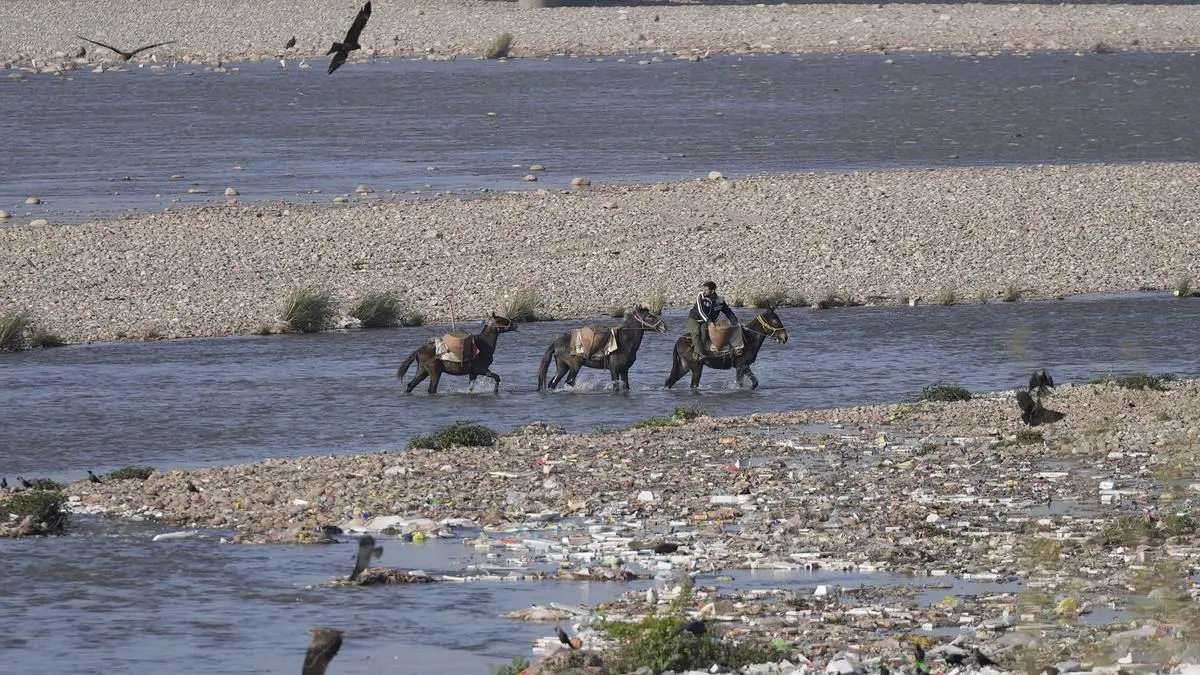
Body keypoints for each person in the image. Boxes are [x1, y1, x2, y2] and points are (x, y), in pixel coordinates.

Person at [687, 281, 737, 359]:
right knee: (696, 332)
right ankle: (697, 353)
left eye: (706, 290)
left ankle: (704, 350)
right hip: (694, 319)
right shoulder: (700, 296)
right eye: (704, 289)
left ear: (712, 291)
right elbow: (701, 311)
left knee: (704, 332)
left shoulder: (720, 300)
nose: (704, 291)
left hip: (705, 322)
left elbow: (727, 311)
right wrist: (710, 322)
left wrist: (734, 320)